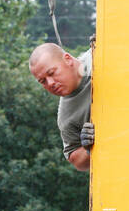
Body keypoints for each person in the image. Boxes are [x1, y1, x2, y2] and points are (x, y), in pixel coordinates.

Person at [28, 43, 94, 171]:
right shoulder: (67, 118)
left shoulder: (99, 55)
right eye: (43, 81)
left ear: (68, 59)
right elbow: (76, 159)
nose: (50, 83)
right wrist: (89, 148)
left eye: (52, 73)